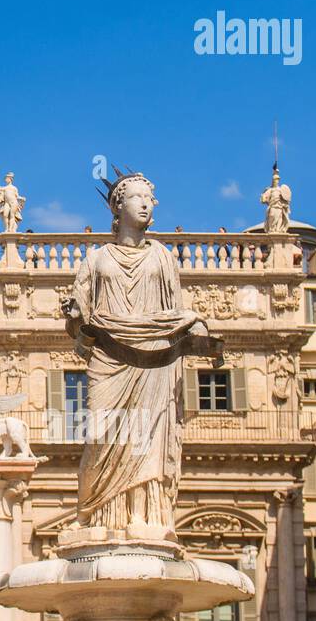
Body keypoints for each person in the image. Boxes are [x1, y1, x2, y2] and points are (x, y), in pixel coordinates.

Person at [61, 171, 219, 535]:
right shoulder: (96, 260)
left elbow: (174, 313)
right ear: (118, 206)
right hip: (110, 360)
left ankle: (143, 517)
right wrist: (73, 316)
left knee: (147, 439)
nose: (146, 203)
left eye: (150, 197)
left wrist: (193, 325)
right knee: (102, 442)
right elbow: (79, 323)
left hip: (153, 360)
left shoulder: (162, 257)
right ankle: (96, 514)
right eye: (137, 197)